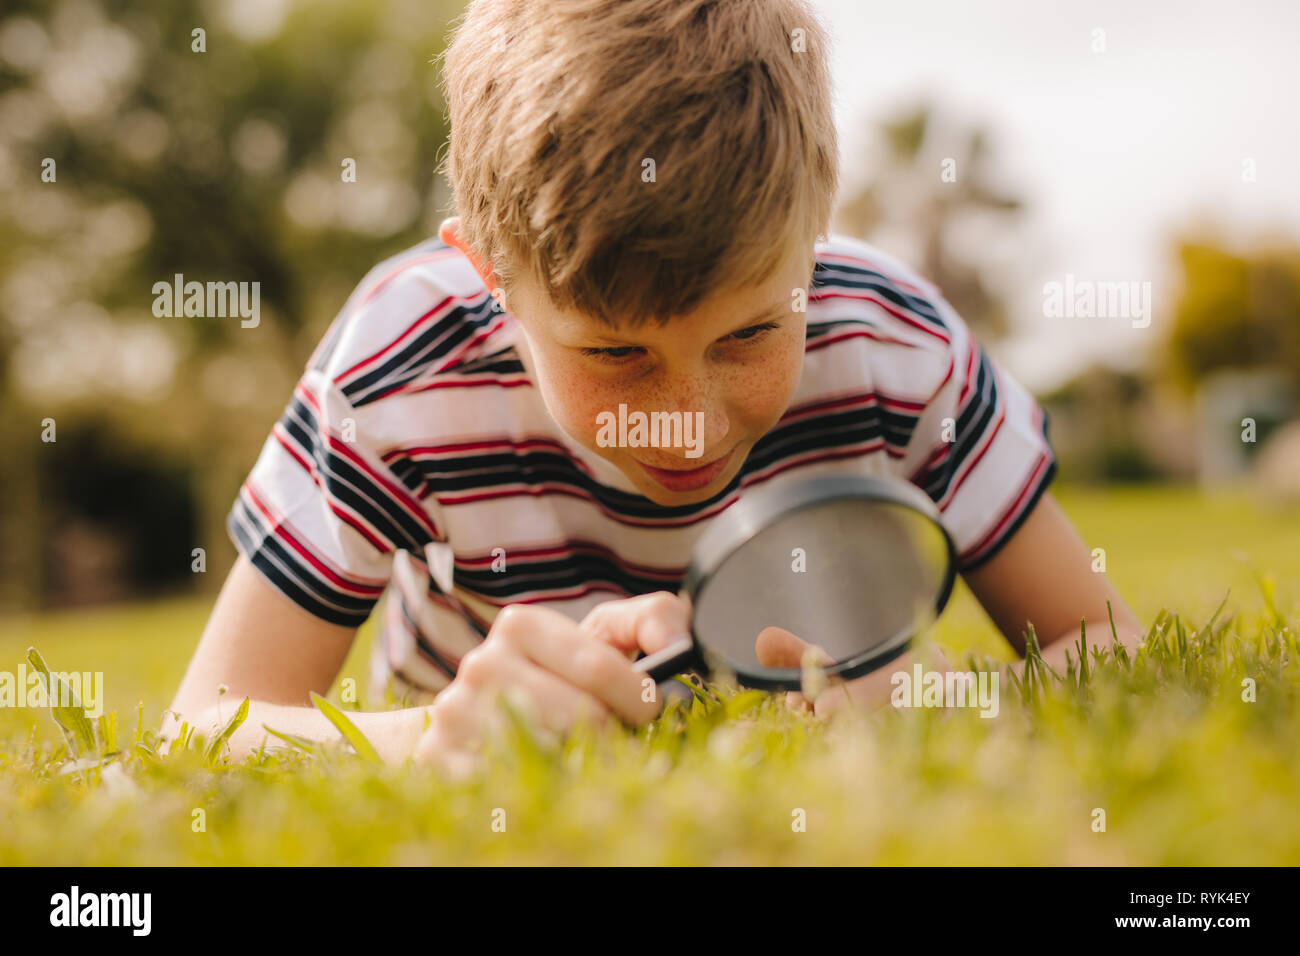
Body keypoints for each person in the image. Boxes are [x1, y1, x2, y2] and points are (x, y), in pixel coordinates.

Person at [163, 0, 1143, 777]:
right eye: (614, 353)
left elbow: (1105, 640)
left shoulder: (897, 346)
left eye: (751, 331)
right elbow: (204, 725)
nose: (687, 424)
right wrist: (430, 742)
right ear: (488, 277)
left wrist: (945, 701)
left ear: (816, 233)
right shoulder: (396, 366)